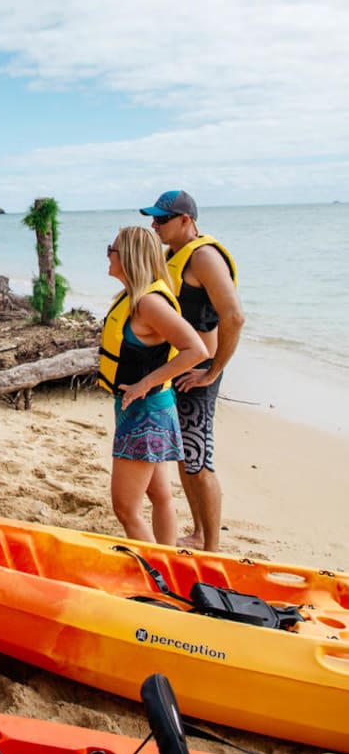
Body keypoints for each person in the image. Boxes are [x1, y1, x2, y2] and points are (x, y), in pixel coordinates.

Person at [140, 190, 244, 552]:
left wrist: (213, 371)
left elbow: (234, 316)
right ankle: (199, 533)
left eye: (161, 219)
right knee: (186, 454)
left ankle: (211, 548)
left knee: (199, 459)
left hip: (198, 372)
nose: (155, 226)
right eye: (153, 219)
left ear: (186, 220)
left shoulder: (204, 257)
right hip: (181, 366)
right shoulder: (175, 253)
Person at [98, 226, 207, 545]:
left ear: (129, 257)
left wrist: (143, 384)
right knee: (160, 495)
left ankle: (155, 568)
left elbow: (196, 350)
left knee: (126, 509)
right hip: (150, 409)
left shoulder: (149, 304)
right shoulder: (134, 298)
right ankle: (169, 561)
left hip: (145, 414)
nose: (107, 255)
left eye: (111, 250)